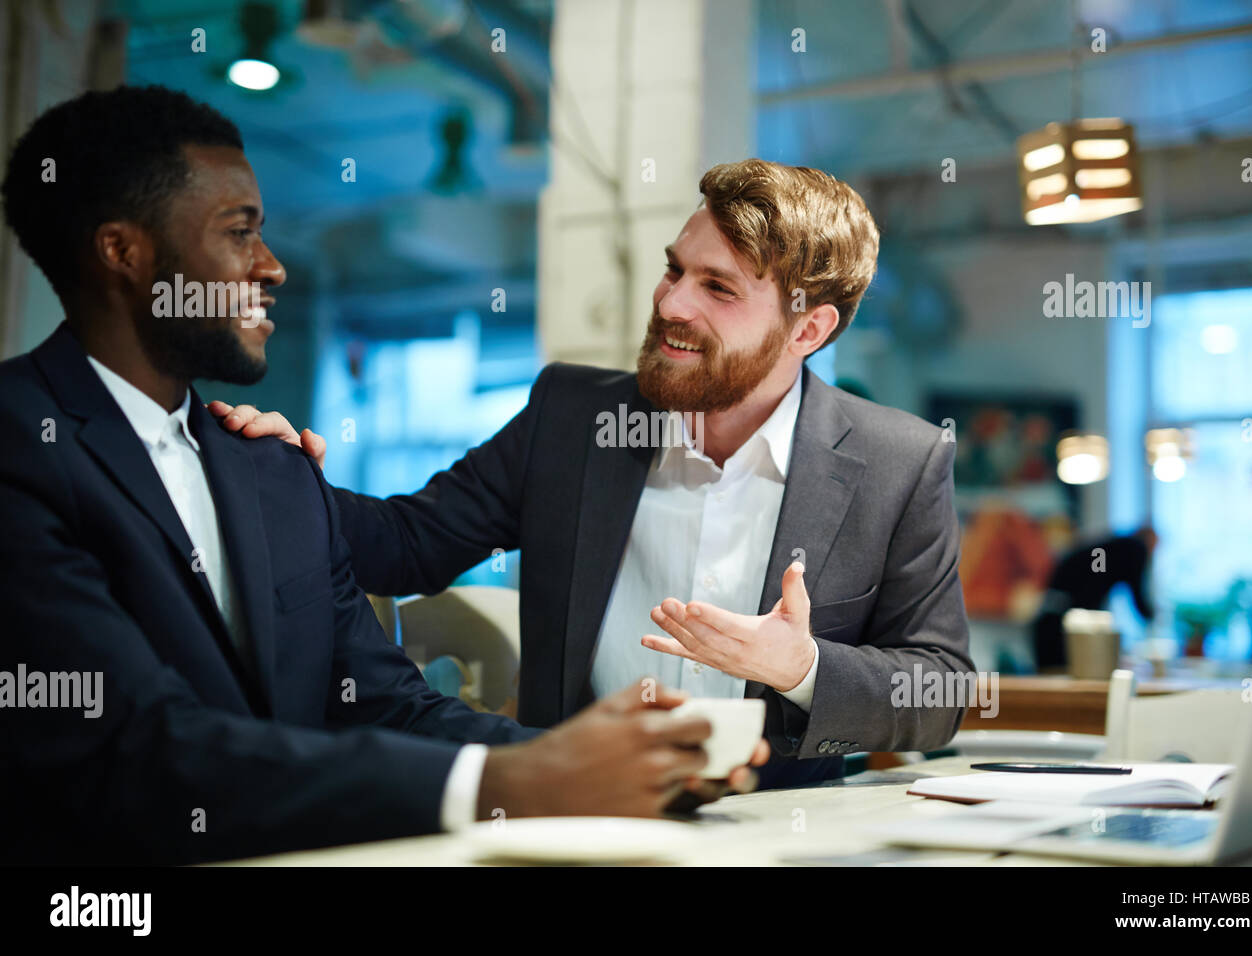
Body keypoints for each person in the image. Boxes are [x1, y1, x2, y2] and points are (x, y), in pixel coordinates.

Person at [0, 85, 762, 866]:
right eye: (240, 233)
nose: (272, 268)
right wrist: (513, 781)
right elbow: (135, 747)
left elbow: (384, 704)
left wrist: (614, 763)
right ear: (123, 253)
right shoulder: (20, 444)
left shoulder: (275, 473)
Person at [215, 158, 974, 788]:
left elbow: (939, 688)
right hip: (572, 815)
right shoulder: (572, 417)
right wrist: (287, 482)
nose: (671, 302)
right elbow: (408, 543)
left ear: (808, 328)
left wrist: (803, 666)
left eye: (718, 288)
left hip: (773, 836)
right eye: (676, 269)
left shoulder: (899, 464)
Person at [1031, 526, 1158, 669]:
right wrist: (1153, 617)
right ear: (1149, 540)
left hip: (1053, 618)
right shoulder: (1135, 548)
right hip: (1066, 624)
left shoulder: (1112, 546)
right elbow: (1138, 593)